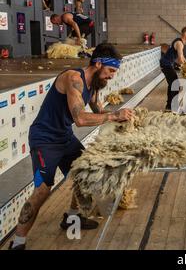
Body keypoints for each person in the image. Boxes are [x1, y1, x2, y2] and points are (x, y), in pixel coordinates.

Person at [8, 44, 133, 250]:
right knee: (42, 191)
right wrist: (112, 116)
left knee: (84, 174)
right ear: (99, 63)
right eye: (111, 71)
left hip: (64, 137)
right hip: (44, 139)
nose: (111, 76)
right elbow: (81, 119)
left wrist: (120, 121)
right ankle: (18, 242)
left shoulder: (94, 83)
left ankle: (72, 217)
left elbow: (97, 108)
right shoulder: (74, 78)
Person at [160, 26, 186, 112]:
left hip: (167, 64)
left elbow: (182, 59)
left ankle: (169, 106)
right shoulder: (179, 43)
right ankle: (173, 107)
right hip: (166, 64)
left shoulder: (180, 43)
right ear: (185, 34)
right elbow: (180, 59)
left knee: (172, 84)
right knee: (175, 84)